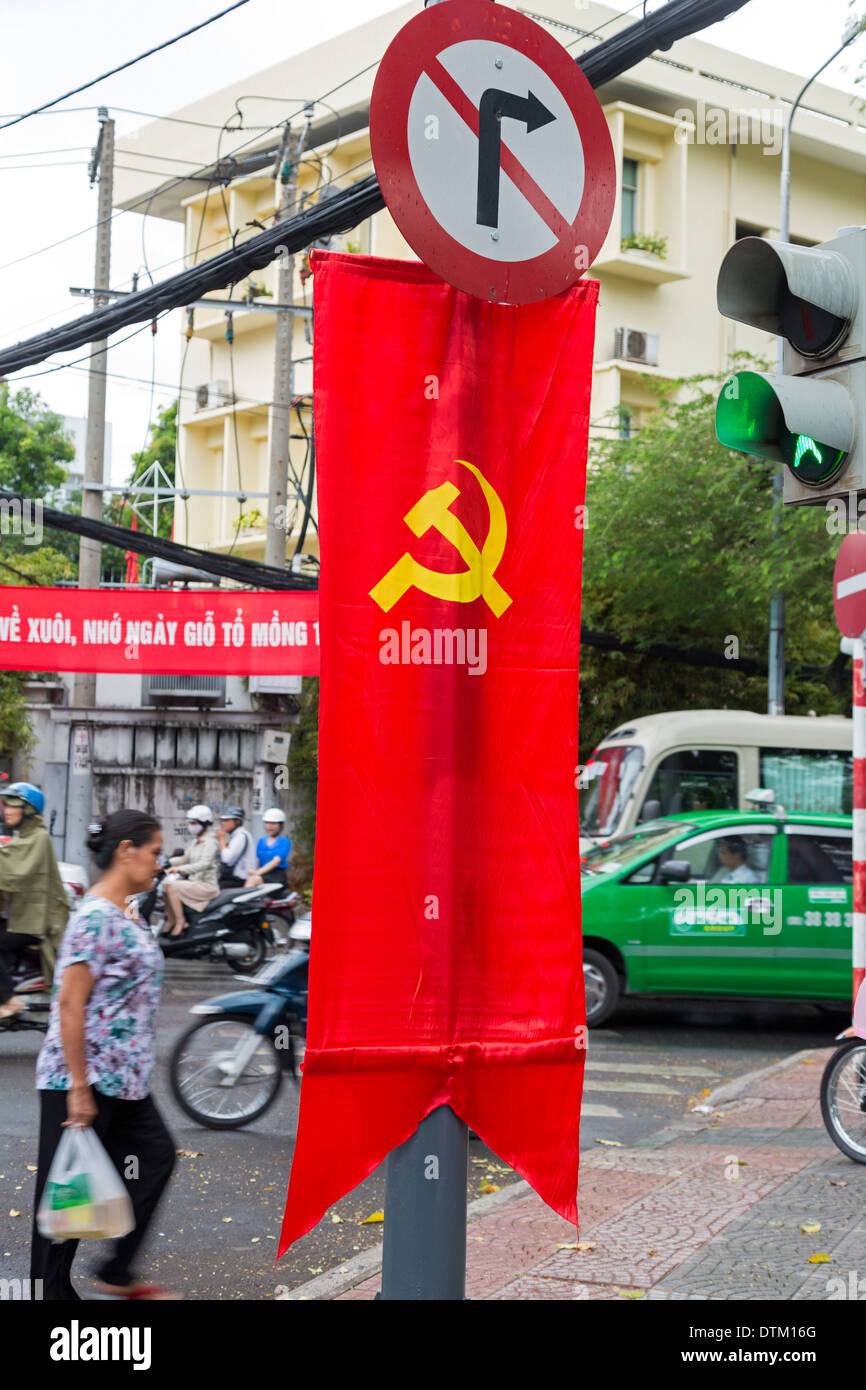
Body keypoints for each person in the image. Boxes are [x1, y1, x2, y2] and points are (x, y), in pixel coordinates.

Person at [31, 809, 178, 1301]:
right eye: (154, 852)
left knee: (153, 1159)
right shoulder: (94, 917)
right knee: (69, 1191)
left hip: (126, 1079)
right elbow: (70, 1003)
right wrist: (78, 1086)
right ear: (126, 851)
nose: (159, 863)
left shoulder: (121, 913)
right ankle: (47, 1293)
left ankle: (115, 1273)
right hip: (83, 1076)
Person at [0, 783, 69, 1022]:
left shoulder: (38, 838)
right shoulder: (23, 836)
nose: (6, 810)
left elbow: (11, 869)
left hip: (33, 924)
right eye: (5, 804)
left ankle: (8, 999)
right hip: (17, 917)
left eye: (13, 805)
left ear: (28, 809)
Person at [163, 805, 219, 936]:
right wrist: (165, 863)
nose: (190, 826)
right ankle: (171, 920)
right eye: (189, 823)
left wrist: (178, 869)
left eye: (194, 823)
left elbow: (204, 864)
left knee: (172, 887)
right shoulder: (196, 842)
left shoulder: (210, 842)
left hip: (207, 886)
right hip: (195, 883)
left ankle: (180, 922)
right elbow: (185, 858)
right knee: (165, 887)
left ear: (204, 823)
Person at [248, 808, 292, 891]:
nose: (269, 826)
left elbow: (276, 862)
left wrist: (257, 873)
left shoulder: (284, 841)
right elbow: (257, 860)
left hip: (276, 876)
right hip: (262, 874)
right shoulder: (261, 841)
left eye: (273, 823)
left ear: (280, 825)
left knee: (253, 880)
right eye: (267, 823)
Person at [216, 805, 256, 889]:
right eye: (223, 820)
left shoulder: (240, 836)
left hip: (238, 881)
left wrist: (221, 840)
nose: (223, 823)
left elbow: (227, 858)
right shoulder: (236, 836)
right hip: (232, 879)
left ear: (237, 821)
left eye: (227, 820)